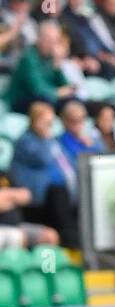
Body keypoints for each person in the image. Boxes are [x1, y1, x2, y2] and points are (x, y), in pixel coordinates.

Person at [10, 101, 79, 248]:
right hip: (36, 198)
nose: (49, 127)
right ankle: (71, 246)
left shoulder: (52, 141)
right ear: (34, 121)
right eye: (45, 122)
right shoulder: (26, 140)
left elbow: (71, 161)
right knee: (58, 194)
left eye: (51, 123)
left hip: (61, 195)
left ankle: (73, 247)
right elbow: (43, 158)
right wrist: (47, 138)